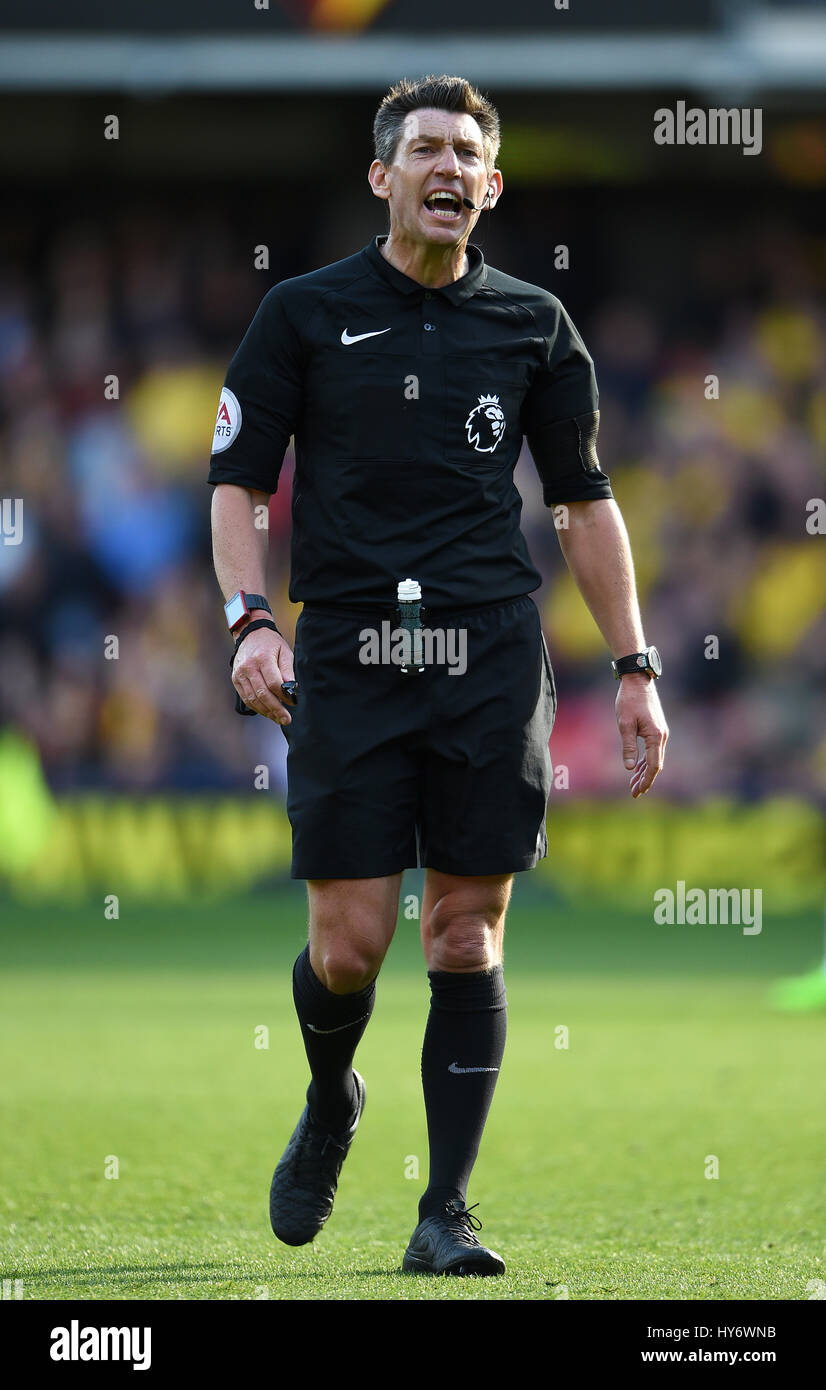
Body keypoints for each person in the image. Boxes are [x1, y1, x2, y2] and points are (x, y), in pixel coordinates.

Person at [208, 74, 668, 1277]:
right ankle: (329, 1101)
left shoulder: (533, 324)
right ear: (383, 176)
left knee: (464, 937)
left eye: (469, 152)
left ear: (493, 185)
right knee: (351, 944)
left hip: (485, 652)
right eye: (427, 149)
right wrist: (249, 619)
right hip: (351, 650)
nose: (449, 167)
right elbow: (237, 485)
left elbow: (581, 504)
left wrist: (634, 664)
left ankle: (446, 1209)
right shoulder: (301, 315)